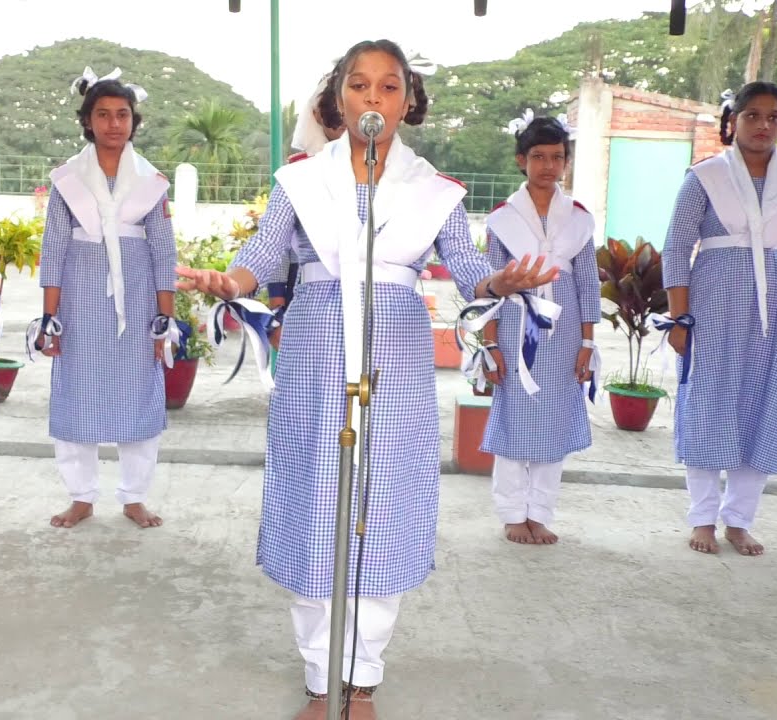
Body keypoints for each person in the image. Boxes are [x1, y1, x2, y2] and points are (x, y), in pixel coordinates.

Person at [177, 39, 557, 720]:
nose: (373, 99)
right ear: (338, 98)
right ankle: (321, 681)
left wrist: (501, 281)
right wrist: (225, 281)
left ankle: (365, 681)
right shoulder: (299, 181)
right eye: (359, 86)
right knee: (316, 503)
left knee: (383, 508)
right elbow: (261, 256)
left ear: (406, 103)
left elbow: (469, 272)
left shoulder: (432, 191)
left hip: (398, 358)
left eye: (388, 87)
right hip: (318, 351)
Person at [661, 81, 777, 556]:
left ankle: (739, 520)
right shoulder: (705, 176)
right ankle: (703, 519)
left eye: (774, 116)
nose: (763, 124)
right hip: (713, 307)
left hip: (776, 311)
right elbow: (675, 247)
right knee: (709, 405)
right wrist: (679, 318)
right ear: (733, 122)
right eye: (752, 115)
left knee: (763, 408)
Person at [33, 67, 177, 530]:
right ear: (88, 121)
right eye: (103, 115)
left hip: (137, 307)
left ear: (134, 121)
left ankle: (134, 497)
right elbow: (53, 249)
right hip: (79, 304)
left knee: (139, 394)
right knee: (78, 393)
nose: (114, 124)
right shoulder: (67, 181)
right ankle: (81, 497)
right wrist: (49, 318)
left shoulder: (151, 182)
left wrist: (164, 319)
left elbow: (164, 252)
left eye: (122, 115)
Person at [475, 111, 600, 545]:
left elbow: (587, 282)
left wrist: (587, 341)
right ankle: (512, 512)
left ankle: (541, 512)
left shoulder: (580, 219)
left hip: (565, 332)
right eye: (539, 156)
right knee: (515, 415)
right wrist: (490, 345)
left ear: (566, 162)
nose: (548, 166)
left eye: (557, 157)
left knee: (555, 419)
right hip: (514, 325)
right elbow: (489, 283)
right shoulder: (502, 218)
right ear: (520, 160)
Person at [267, 73, 347, 350]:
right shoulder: (298, 173)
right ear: (317, 114)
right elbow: (275, 247)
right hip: (302, 293)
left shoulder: (393, 172)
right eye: (334, 109)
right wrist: (277, 307)